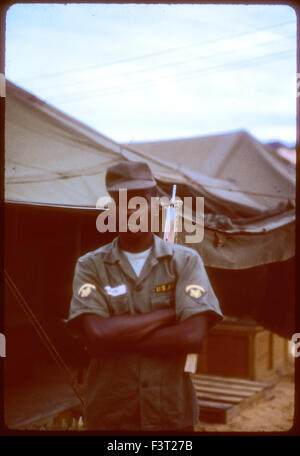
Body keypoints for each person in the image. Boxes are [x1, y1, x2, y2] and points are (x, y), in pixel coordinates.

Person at [66, 161, 223, 432]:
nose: (134, 210)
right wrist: (170, 313)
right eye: (124, 201)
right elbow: (97, 335)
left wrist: (114, 341)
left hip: (170, 415)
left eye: (143, 200)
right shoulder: (90, 265)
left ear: (156, 206)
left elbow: (192, 337)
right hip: (110, 416)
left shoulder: (184, 261)